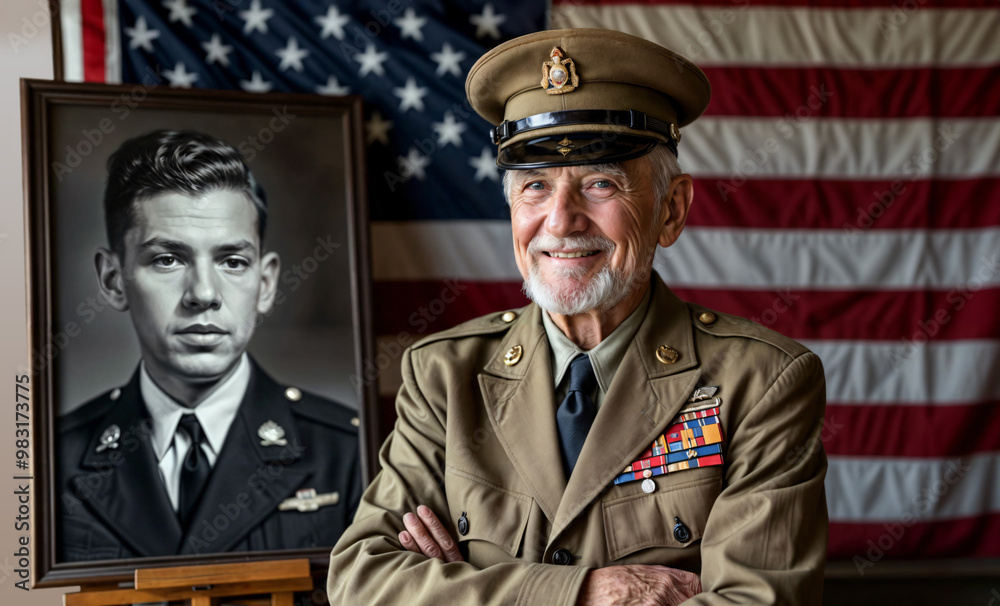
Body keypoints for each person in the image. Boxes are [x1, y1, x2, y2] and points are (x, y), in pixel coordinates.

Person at [328, 28, 828, 605]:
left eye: (599, 183)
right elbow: (363, 583)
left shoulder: (761, 382)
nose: (561, 222)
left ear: (671, 209)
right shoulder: (443, 375)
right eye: (535, 186)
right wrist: (583, 593)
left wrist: (455, 590)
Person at [57, 130, 362, 561]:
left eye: (232, 261)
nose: (203, 293)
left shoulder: (350, 455)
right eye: (167, 259)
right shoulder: (51, 462)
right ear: (112, 280)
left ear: (266, 282)